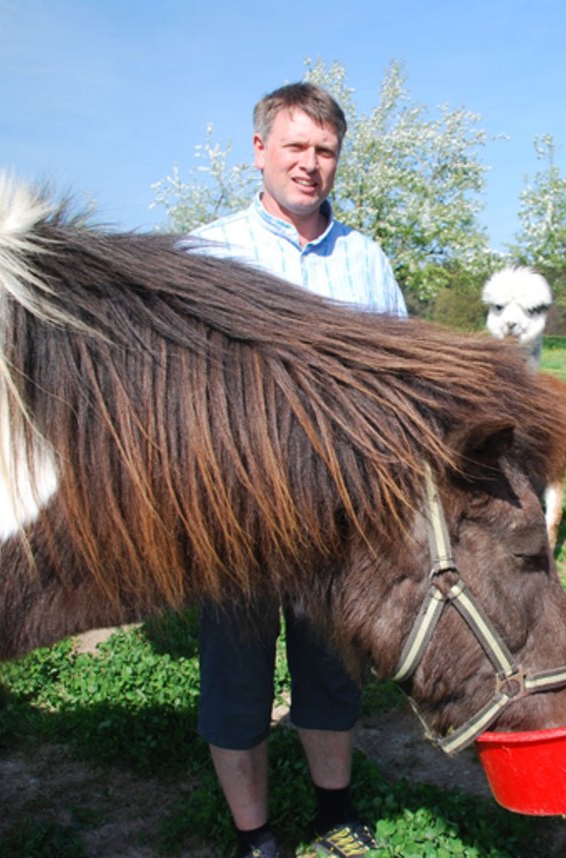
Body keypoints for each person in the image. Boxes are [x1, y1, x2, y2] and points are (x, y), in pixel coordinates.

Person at [187, 82, 404, 858]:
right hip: (236, 522)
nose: (310, 166)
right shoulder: (209, 253)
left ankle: (333, 814)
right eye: (296, 148)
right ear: (259, 151)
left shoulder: (367, 262)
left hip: (337, 520)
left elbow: (399, 387)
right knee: (236, 685)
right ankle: (255, 837)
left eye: (325, 151)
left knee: (333, 677)